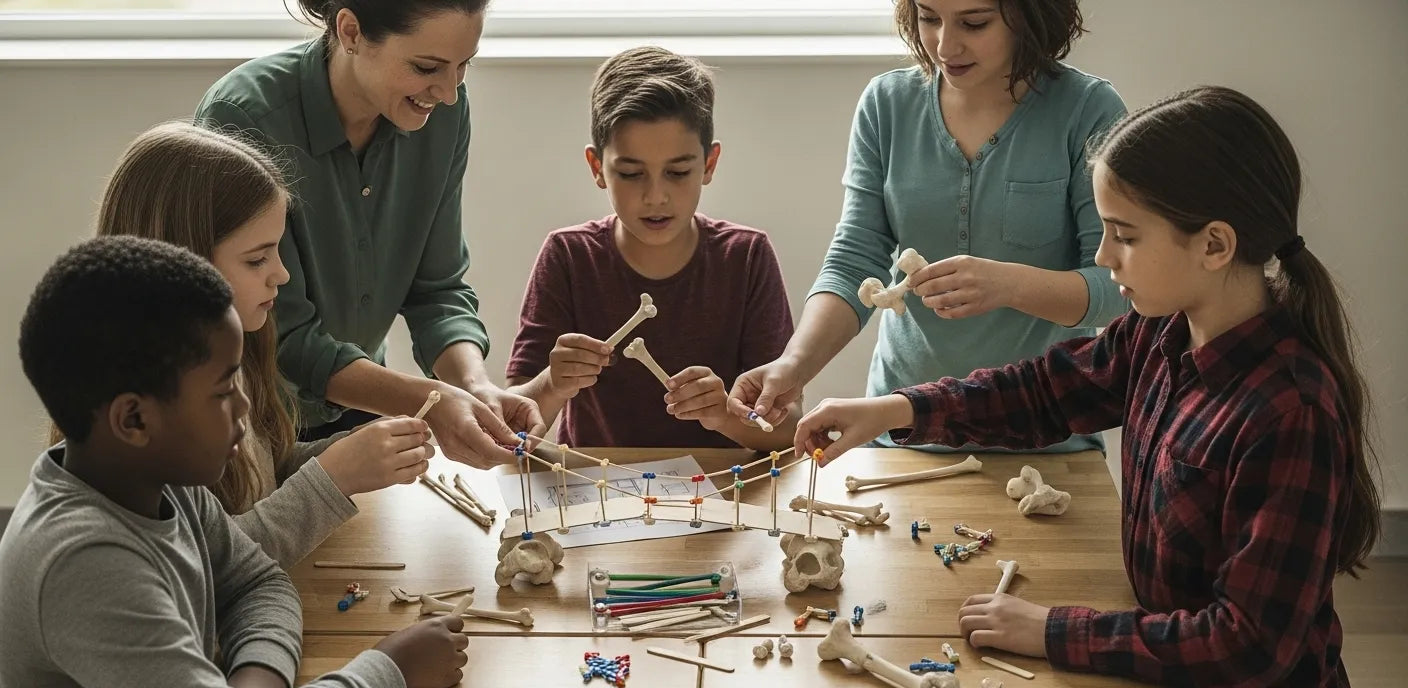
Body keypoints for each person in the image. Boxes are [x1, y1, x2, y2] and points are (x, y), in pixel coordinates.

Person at [794, 86, 1376, 688]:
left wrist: (1053, 631)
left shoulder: (1288, 413)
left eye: (1125, 235)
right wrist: (898, 410)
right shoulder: (1161, 332)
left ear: (1215, 244)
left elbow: (1244, 643)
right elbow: (1046, 389)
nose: (1103, 256)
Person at [1, 236, 468, 688]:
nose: (246, 407)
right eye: (224, 391)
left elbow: (256, 579)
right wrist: (391, 671)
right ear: (134, 420)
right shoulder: (83, 562)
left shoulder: (157, 480)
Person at [730, 0, 1126, 453]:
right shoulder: (887, 104)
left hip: (1047, 440)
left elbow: (1117, 289)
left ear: (1029, 15)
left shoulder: (1088, 110)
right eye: (929, 17)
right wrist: (794, 365)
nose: (944, 44)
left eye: (974, 22)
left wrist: (1009, 285)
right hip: (900, 430)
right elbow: (854, 260)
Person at [195, 0, 544, 468]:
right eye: (426, 67)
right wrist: (433, 402)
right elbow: (285, 335)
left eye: (463, 66)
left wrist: (474, 387)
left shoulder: (441, 117)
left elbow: (436, 290)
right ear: (351, 32)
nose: (448, 94)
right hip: (248, 426)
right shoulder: (244, 118)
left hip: (362, 411)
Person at [91, 121, 434, 567]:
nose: (282, 274)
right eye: (257, 259)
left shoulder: (228, 357)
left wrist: (349, 451)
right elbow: (203, 569)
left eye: (277, 251)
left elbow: (261, 476)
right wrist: (334, 478)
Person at [506, 46, 796, 450]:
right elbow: (514, 421)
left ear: (709, 164)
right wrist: (552, 384)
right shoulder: (569, 256)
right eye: (630, 173)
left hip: (723, 493)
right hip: (598, 491)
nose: (656, 196)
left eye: (677, 172)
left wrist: (724, 414)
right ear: (597, 169)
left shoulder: (746, 257)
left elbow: (790, 428)